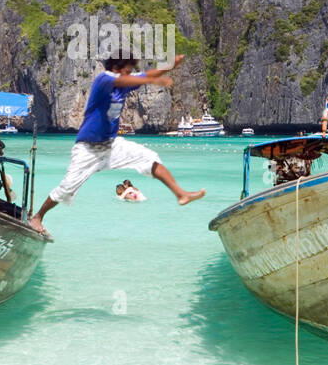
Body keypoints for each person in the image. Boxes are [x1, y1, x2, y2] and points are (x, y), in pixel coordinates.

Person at [28, 54, 204, 237]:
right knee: (66, 188)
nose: (131, 74)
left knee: (149, 157)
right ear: (117, 68)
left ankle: (180, 194)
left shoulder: (123, 86)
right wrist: (155, 80)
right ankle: (37, 217)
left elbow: (144, 75)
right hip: (87, 148)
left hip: (111, 145)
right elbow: (130, 79)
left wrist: (169, 65)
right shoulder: (103, 80)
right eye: (127, 70)